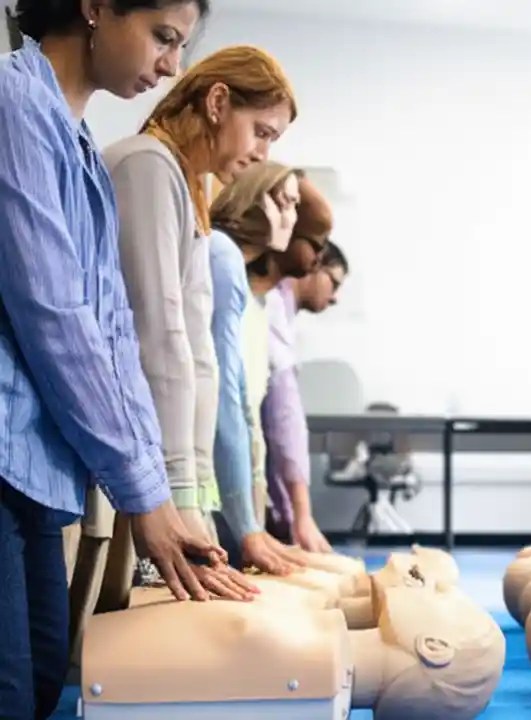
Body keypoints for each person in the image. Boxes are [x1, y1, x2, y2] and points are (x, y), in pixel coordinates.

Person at [0, 0, 252, 716]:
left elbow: (116, 334)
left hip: (36, 467)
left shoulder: (78, 143)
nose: (171, 64)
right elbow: (54, 319)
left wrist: (162, 492)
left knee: (47, 673)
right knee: (13, 691)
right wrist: (144, 493)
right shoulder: (12, 106)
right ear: (97, 6)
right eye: (163, 38)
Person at [102, 43, 297, 577]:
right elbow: (158, 340)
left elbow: (199, 361)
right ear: (217, 102)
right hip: (137, 471)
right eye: (262, 131)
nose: (262, 152)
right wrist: (176, 493)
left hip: (166, 476)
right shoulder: (146, 165)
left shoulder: (184, 188)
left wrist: (193, 493)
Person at [208, 161, 310, 574]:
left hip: (227, 487)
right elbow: (219, 396)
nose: (291, 217)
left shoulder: (257, 301)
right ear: (250, 197)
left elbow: (247, 412)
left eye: (294, 205)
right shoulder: (219, 254)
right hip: (207, 486)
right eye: (282, 201)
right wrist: (247, 522)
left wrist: (253, 509)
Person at [260, 211, 345, 551]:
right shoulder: (269, 305)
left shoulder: (278, 311)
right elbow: (284, 419)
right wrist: (300, 515)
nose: (335, 296)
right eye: (334, 282)